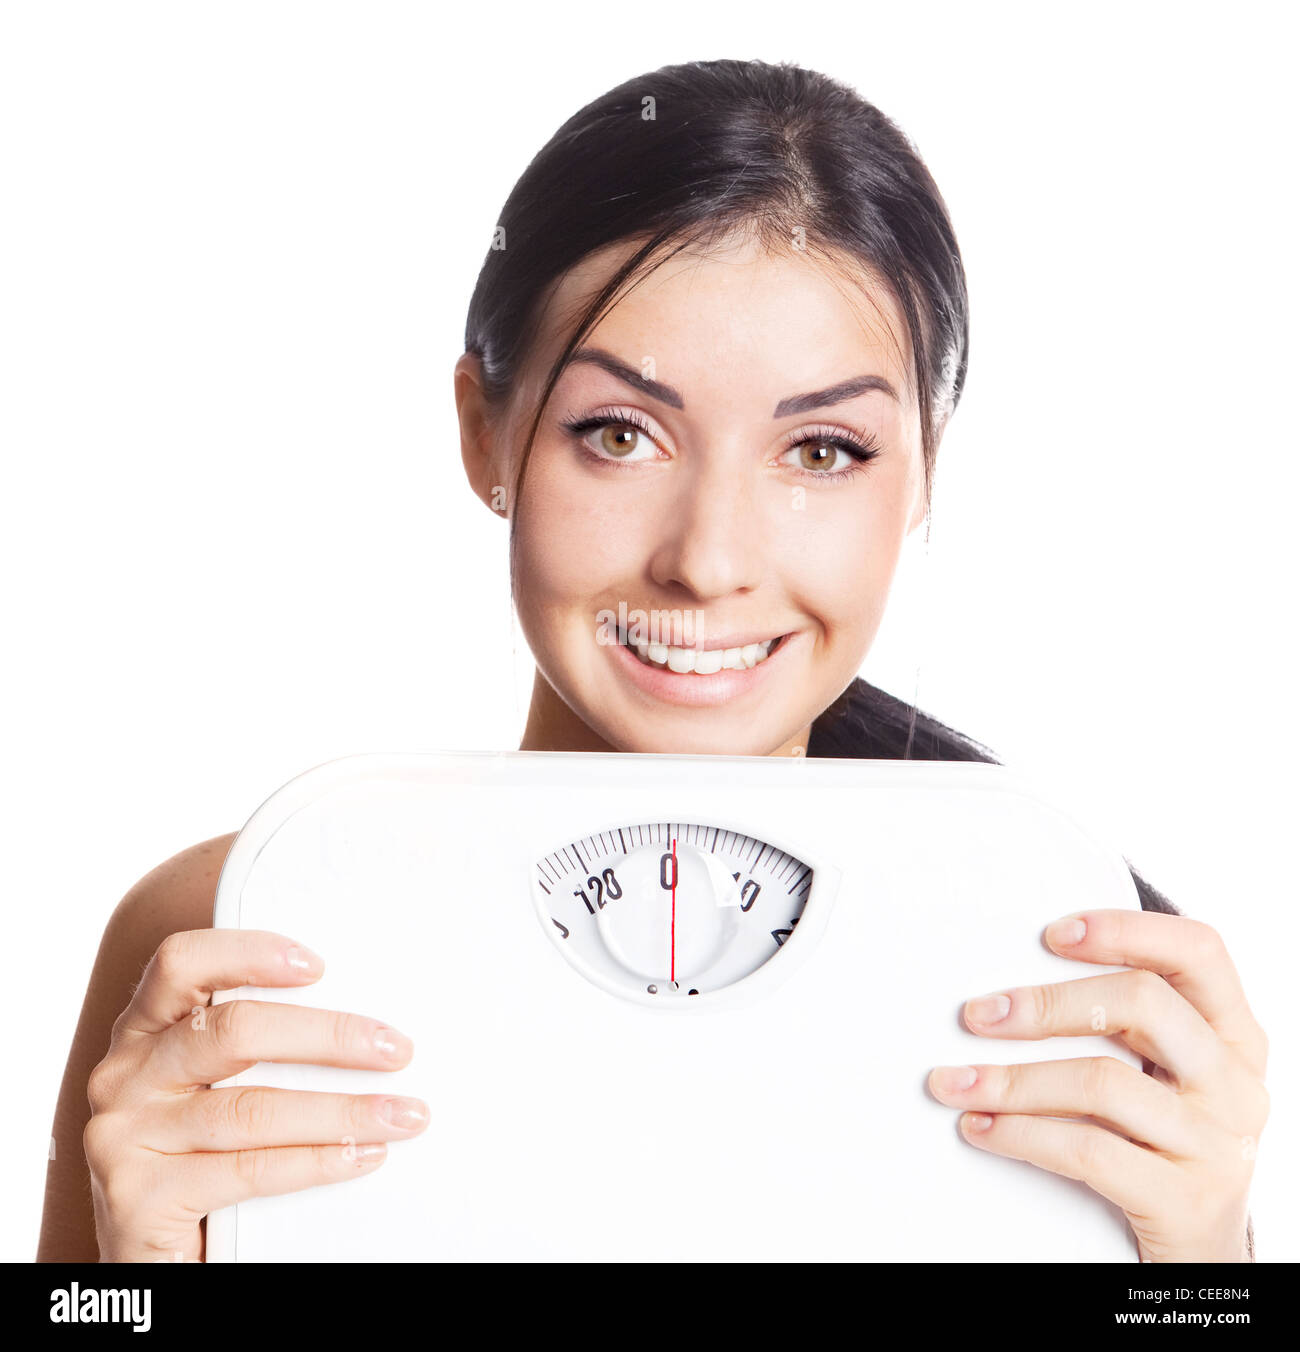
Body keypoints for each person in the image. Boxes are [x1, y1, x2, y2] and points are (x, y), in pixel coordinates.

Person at [38, 58, 1266, 1264]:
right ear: (485, 435)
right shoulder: (241, 931)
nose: (709, 559)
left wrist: (1209, 1272)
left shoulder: (1076, 979)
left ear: (923, 473)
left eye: (824, 450)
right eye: (619, 432)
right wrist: (128, 1285)